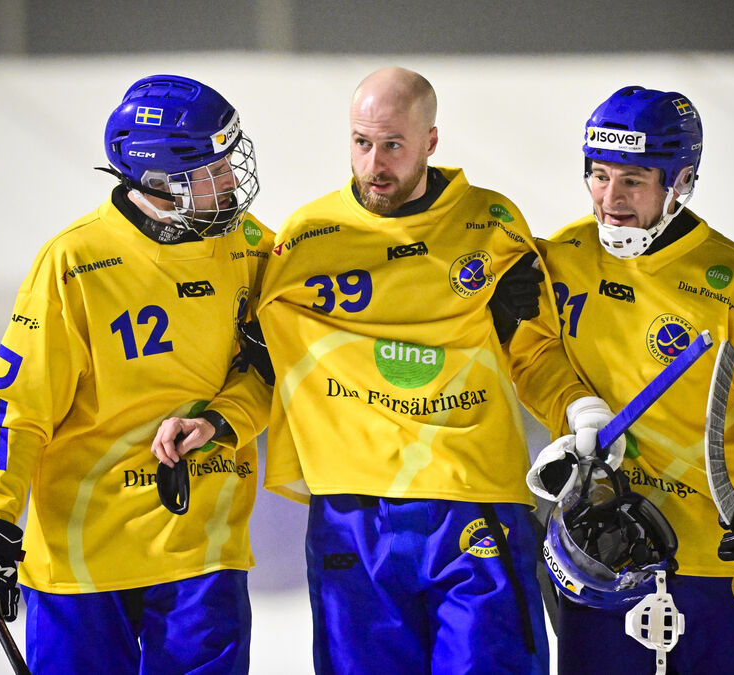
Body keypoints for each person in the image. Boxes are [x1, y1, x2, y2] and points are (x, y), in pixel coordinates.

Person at [256, 66, 604, 674]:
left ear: (431, 143)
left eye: (392, 145)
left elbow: (534, 351)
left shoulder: (493, 224)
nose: (374, 165)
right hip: (353, 511)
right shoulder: (306, 239)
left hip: (473, 501)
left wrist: (576, 406)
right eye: (362, 143)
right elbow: (252, 348)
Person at [0, 74, 273, 674]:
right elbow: (15, 408)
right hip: (83, 561)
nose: (232, 179)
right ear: (161, 181)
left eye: (230, 160)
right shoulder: (73, 263)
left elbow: (270, 373)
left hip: (203, 553)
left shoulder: (255, 249)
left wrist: (222, 422)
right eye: (212, 169)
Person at [528, 85, 734, 673]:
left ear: (680, 181)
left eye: (634, 180)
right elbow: (533, 353)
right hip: (605, 560)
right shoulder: (561, 258)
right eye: (598, 176)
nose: (610, 200)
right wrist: (574, 408)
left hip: (724, 565)